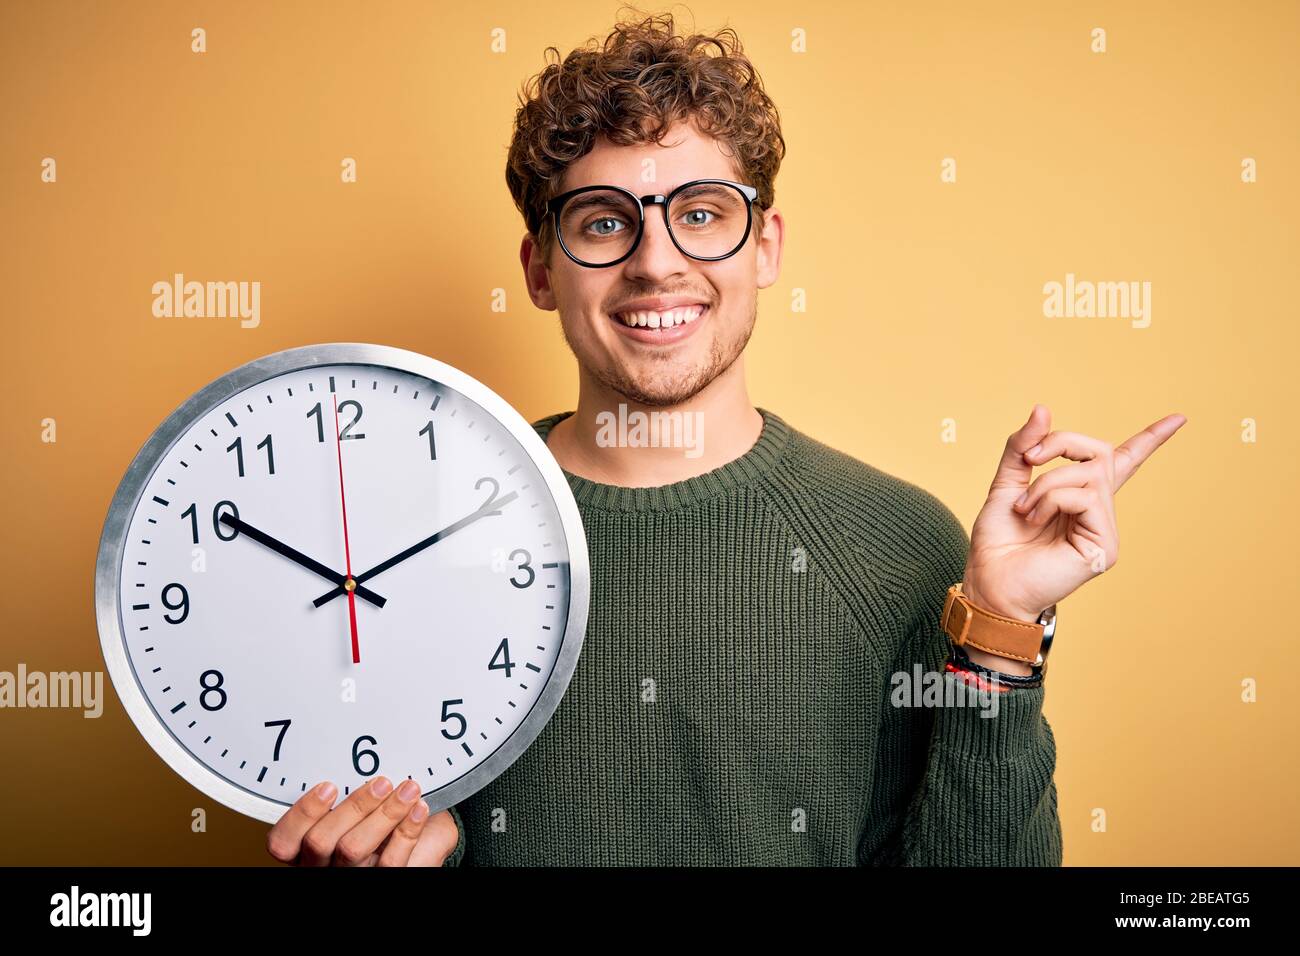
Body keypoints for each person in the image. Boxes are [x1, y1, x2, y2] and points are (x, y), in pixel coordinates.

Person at [266, 11, 1184, 867]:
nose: (657, 261)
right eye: (602, 222)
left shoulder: (902, 548)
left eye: (701, 214)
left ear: (766, 247)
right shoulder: (389, 555)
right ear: (540, 269)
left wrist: (1002, 633)